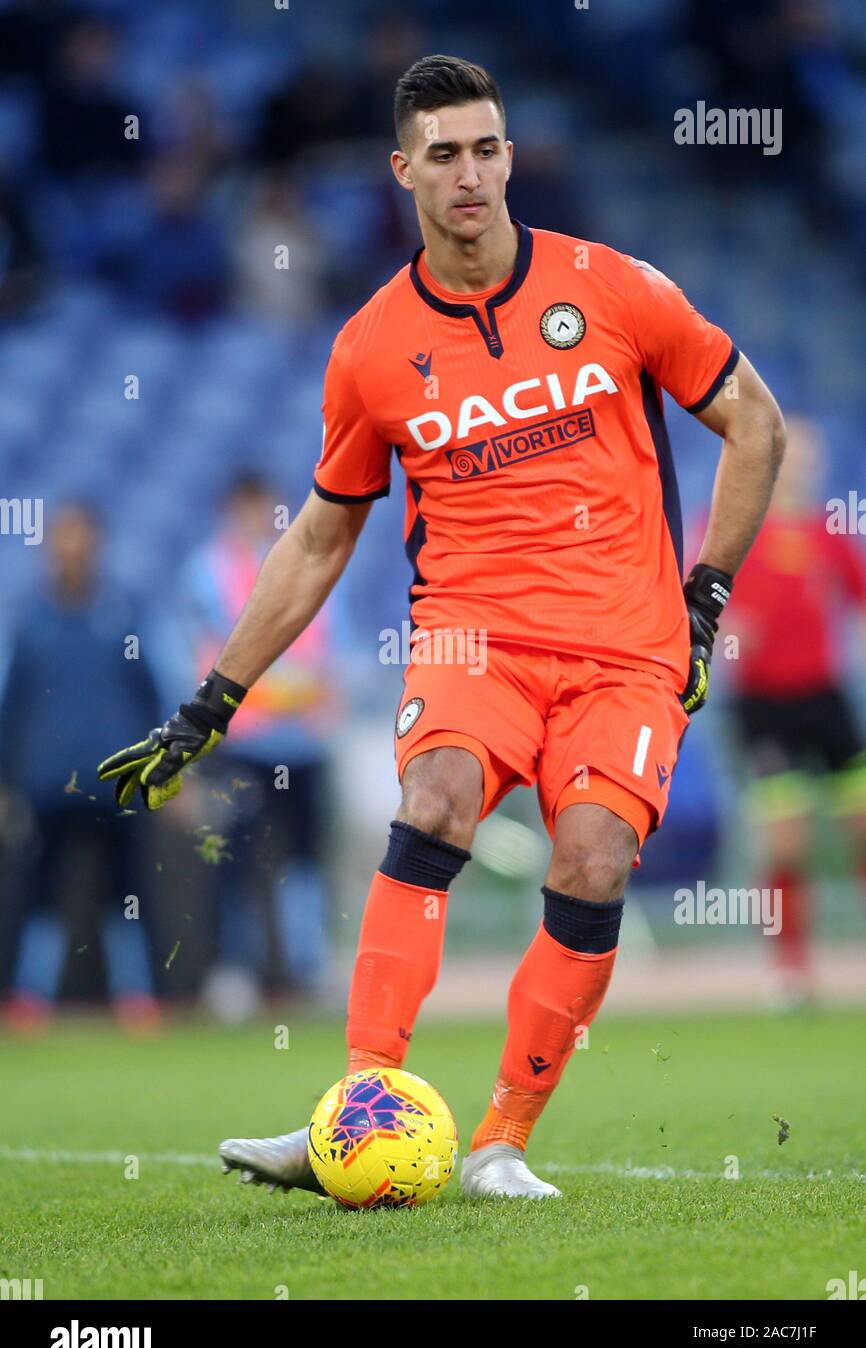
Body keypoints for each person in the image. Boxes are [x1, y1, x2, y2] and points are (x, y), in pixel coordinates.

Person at [97, 56, 785, 1198]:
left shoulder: (611, 288)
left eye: (486, 148)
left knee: (593, 857)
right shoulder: (371, 346)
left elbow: (752, 422)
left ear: (508, 155)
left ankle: (500, 1142)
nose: (468, 174)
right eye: (444, 153)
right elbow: (318, 539)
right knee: (434, 801)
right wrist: (208, 702)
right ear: (401, 169)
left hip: (626, 646)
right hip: (475, 641)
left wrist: (703, 593)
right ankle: (355, 1118)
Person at [176, 472, 339, 1012]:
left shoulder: (300, 561)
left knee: (303, 862)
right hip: (244, 740)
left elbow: (328, 652)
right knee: (236, 857)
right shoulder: (210, 570)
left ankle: (306, 967)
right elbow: (208, 650)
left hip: (302, 744)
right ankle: (236, 971)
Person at [722, 414, 866, 1006]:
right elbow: (704, 606)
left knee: (860, 830)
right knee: (785, 841)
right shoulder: (735, 528)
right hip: (763, 707)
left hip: (825, 700)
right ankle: (789, 970)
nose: (798, 463)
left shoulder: (827, 533)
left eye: (808, 453)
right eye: (789, 452)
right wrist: (729, 635)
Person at [1, 501, 161, 1031]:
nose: (71, 547)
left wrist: (159, 767)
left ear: (96, 544)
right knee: (41, 893)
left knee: (127, 893)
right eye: (62, 537)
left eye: (80, 536)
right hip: (47, 783)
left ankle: (136, 998)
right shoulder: (31, 622)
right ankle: (30, 998)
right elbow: (13, 707)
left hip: (116, 782)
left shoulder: (122, 615)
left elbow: (150, 697)